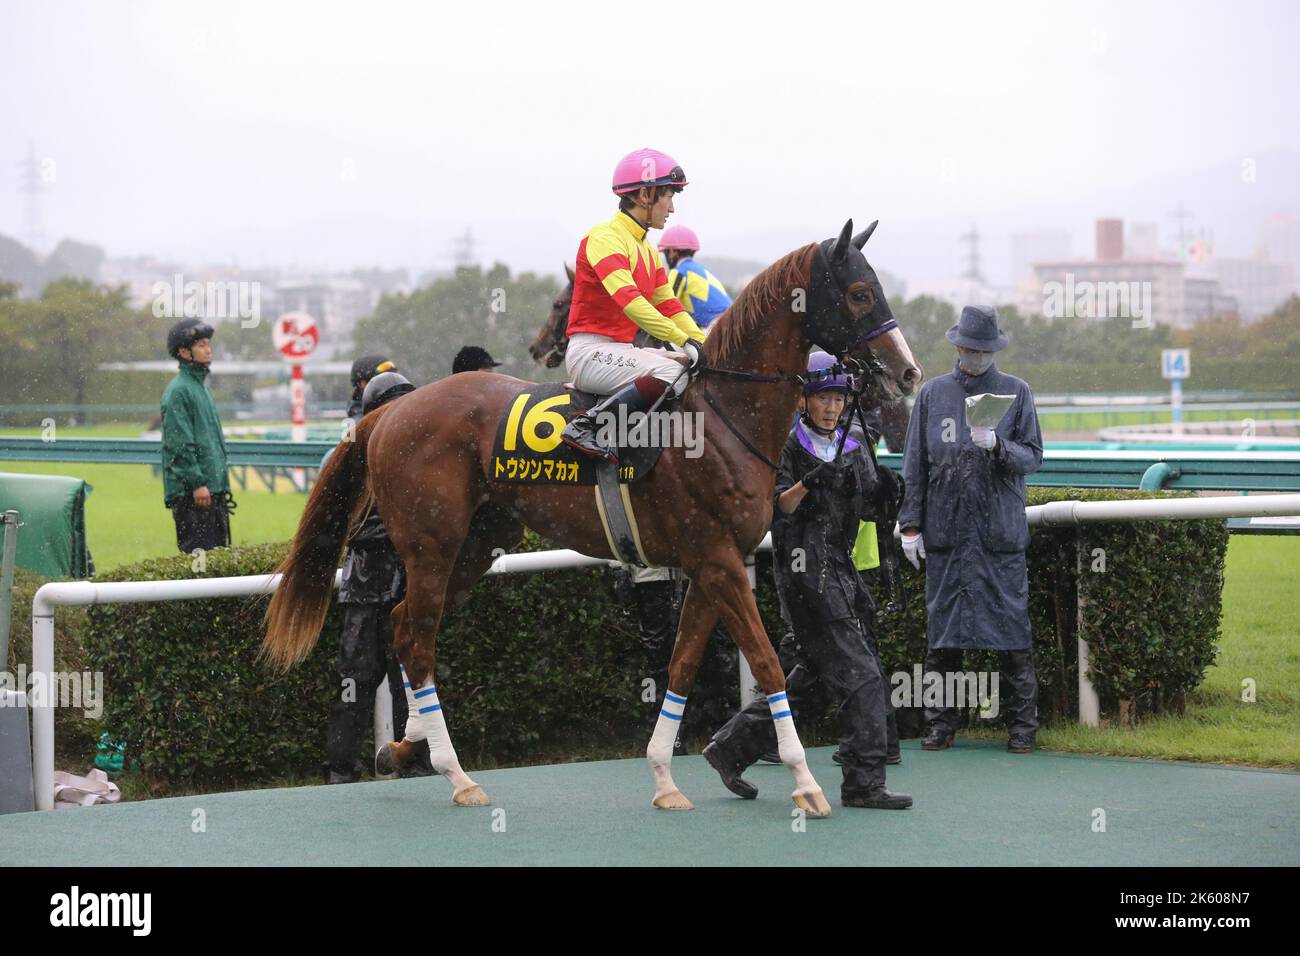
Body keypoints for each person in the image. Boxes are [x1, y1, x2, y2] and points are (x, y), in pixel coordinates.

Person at [702, 353, 913, 810]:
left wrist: (887, 493)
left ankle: (730, 747)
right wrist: (810, 484)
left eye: (838, 399)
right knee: (863, 676)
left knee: (814, 682)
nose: (832, 408)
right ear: (804, 399)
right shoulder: (782, 445)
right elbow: (779, 508)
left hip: (842, 573)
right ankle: (862, 783)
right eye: (823, 399)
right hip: (804, 580)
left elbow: (870, 509)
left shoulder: (856, 444)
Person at [896, 305, 1044, 754]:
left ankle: (1022, 728)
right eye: (969, 348)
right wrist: (910, 525)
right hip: (946, 536)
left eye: (983, 349)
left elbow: (1033, 456)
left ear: (992, 349)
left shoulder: (1016, 392)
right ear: (958, 346)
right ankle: (939, 726)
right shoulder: (933, 394)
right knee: (942, 640)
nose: (975, 356)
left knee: (1013, 637)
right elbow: (914, 465)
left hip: (998, 536)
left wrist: (999, 446)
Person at [560, 147, 707, 463]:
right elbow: (631, 303)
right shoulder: (604, 237)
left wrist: (703, 342)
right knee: (675, 373)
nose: (671, 208)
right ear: (644, 194)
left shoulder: (649, 250)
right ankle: (588, 425)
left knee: (691, 366)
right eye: (668, 196)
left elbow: (669, 306)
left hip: (621, 353)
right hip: (589, 354)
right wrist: (684, 340)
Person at [325, 370, 433, 783]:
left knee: (413, 679)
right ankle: (340, 771)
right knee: (353, 682)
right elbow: (350, 529)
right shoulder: (355, 455)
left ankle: (417, 762)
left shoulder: (419, 453)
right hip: (365, 588)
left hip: (404, 587)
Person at [161, 319, 234, 553]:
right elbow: (179, 444)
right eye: (201, 344)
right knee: (199, 566)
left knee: (218, 563)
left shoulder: (200, 387)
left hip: (212, 489)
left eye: (208, 344)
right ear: (184, 351)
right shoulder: (178, 391)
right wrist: (197, 484)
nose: (208, 349)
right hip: (194, 495)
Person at [658, 225, 733, 331]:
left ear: (672, 252)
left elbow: (665, 307)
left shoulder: (679, 272)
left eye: (665, 252)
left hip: (718, 325)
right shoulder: (703, 270)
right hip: (732, 320)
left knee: (673, 343)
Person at [347, 354, 397, 423]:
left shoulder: (398, 408)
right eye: (382, 381)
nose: (390, 386)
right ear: (362, 384)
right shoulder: (357, 424)